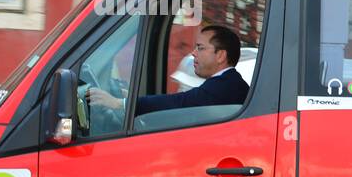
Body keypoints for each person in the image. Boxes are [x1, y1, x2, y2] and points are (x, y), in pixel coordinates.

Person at [88, 25, 249, 116]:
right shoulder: (228, 83)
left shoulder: (224, 86)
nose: (193, 53)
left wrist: (119, 103)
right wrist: (130, 98)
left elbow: (180, 103)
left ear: (221, 55)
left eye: (200, 48)